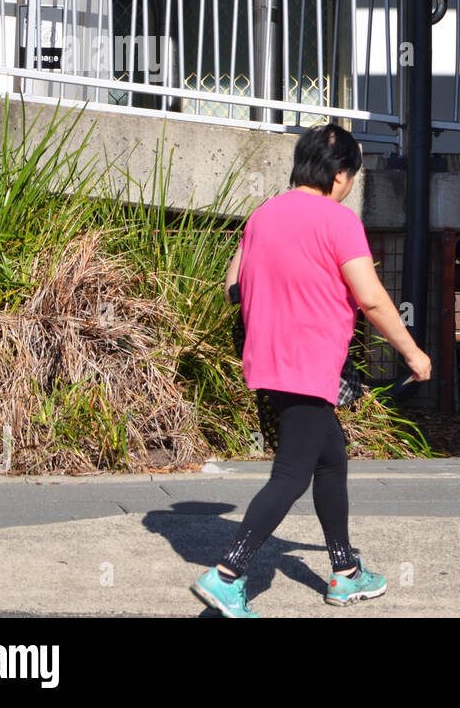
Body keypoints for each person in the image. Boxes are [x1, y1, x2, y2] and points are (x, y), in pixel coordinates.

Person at [190, 124, 432, 617]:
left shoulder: (263, 214)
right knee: (290, 475)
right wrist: (413, 353)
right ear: (341, 175)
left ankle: (345, 571)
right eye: (352, 176)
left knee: (330, 458)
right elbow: (370, 298)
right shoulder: (338, 221)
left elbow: (232, 285)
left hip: (268, 359)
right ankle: (228, 573)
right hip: (309, 362)